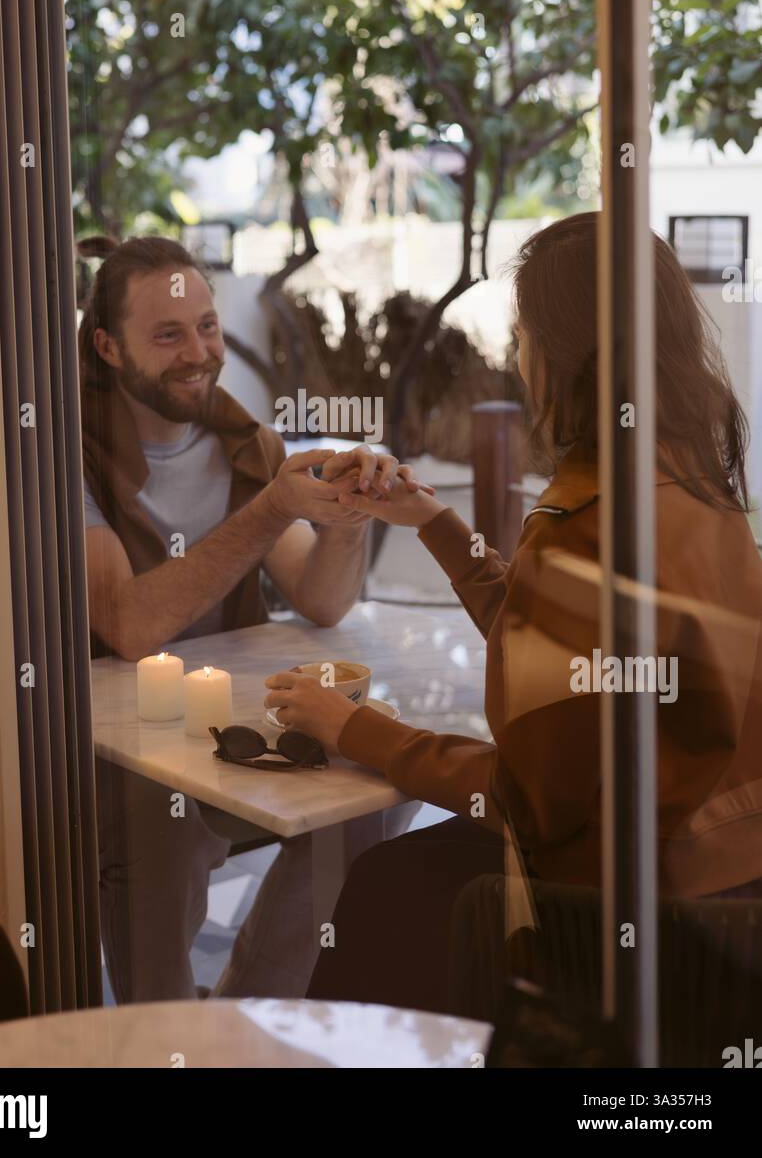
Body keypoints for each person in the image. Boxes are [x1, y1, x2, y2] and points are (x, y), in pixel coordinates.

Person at [262, 213, 762, 1012]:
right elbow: (579, 660)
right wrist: (435, 522)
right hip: (724, 873)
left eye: (524, 335)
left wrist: (352, 728)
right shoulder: (695, 484)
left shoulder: (590, 521)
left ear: (564, 355)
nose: (516, 359)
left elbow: (525, 799)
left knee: (384, 890)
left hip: (624, 902)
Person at [79, 235, 421, 1002]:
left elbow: (323, 600)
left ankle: (245, 1011)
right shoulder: (71, 456)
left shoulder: (245, 444)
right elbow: (130, 626)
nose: (199, 352)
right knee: (153, 819)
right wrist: (270, 509)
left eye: (206, 326)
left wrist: (347, 515)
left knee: (375, 777)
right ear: (107, 347)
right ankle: (160, 1032)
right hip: (121, 749)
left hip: (232, 724)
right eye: (167, 334)